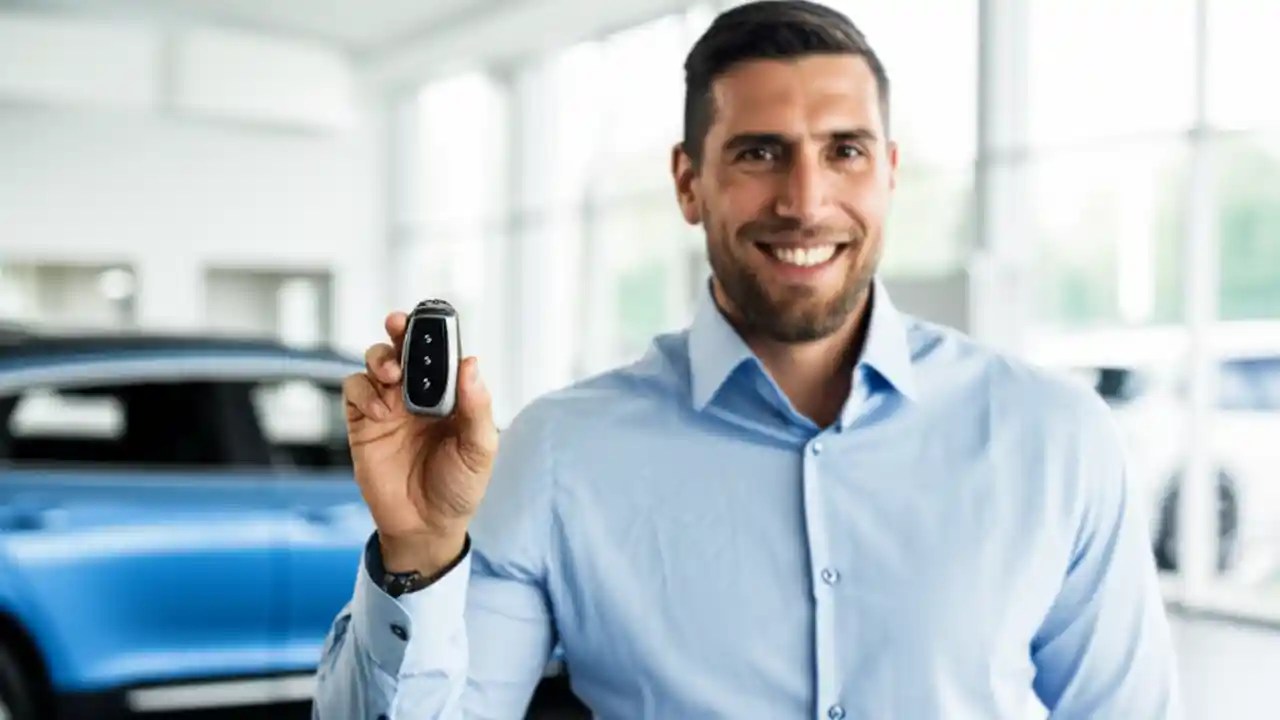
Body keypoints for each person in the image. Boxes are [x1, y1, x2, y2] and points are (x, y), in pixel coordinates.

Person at [313, 1, 1181, 717]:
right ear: (688, 182)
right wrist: (420, 549)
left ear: (888, 172)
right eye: (760, 153)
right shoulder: (558, 455)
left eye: (844, 151)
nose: (805, 201)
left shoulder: (1054, 436)